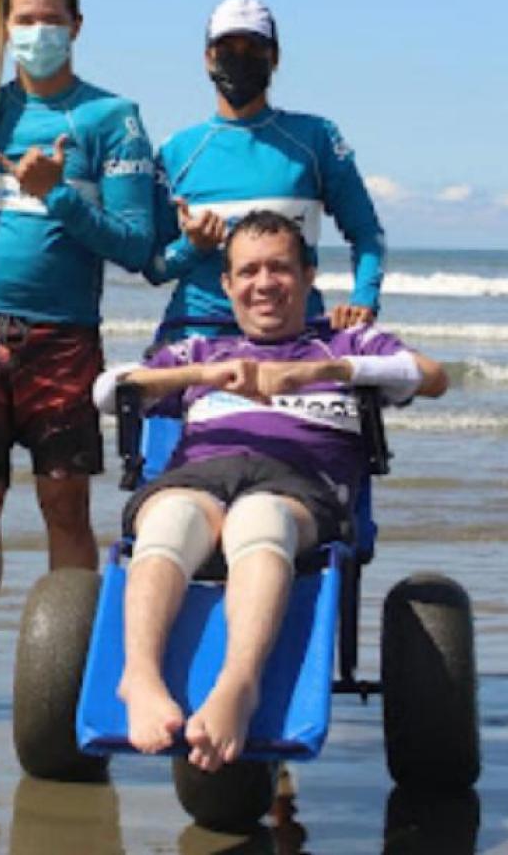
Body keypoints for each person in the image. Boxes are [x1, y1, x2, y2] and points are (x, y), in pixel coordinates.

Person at [94, 209, 446, 771]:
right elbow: (109, 391)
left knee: (257, 520)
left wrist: (317, 374)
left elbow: (430, 376)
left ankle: (239, 684)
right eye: (248, 271)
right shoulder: (201, 352)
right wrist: (203, 378)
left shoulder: (346, 342)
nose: (264, 284)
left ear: (308, 276)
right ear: (227, 284)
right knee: (168, 521)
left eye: (279, 269)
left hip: (298, 486)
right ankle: (138, 676)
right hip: (202, 477)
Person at [0, 0, 155, 721]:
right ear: (3, 28)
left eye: (51, 20)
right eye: (23, 20)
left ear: (77, 27)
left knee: (63, 504)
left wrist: (56, 192)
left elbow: (136, 244)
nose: (37, 33)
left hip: (62, 341)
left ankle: (72, 684)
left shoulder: (112, 119)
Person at [148, 0, 387, 338]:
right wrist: (192, 247)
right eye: (228, 48)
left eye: (253, 48)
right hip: (196, 337)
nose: (240, 58)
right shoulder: (177, 151)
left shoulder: (316, 137)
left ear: (274, 58)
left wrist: (364, 301)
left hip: (295, 336)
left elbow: (367, 234)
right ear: (208, 58)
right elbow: (155, 267)